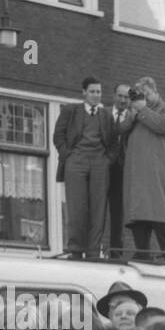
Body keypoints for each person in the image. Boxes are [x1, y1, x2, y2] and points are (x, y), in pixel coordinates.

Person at [53, 76, 118, 259]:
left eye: (98, 92)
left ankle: (93, 251)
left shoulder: (106, 114)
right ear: (84, 93)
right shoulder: (70, 111)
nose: (96, 95)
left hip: (99, 163)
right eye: (92, 92)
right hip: (76, 161)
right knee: (76, 207)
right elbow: (58, 136)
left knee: (98, 208)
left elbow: (114, 142)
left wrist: (107, 160)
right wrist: (69, 156)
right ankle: (75, 249)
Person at [119, 76, 165, 262]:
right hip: (137, 174)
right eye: (140, 95)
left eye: (146, 94)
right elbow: (121, 129)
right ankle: (142, 251)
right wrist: (134, 112)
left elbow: (163, 126)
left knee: (159, 211)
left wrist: (142, 110)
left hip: (156, 172)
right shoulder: (135, 114)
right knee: (138, 214)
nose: (143, 98)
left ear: (155, 92)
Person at [107, 82, 131, 255]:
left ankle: (116, 251)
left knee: (118, 213)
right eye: (120, 96)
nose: (123, 100)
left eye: (126, 97)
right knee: (97, 210)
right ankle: (93, 249)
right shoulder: (103, 114)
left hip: (122, 171)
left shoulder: (133, 117)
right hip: (103, 168)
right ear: (114, 96)